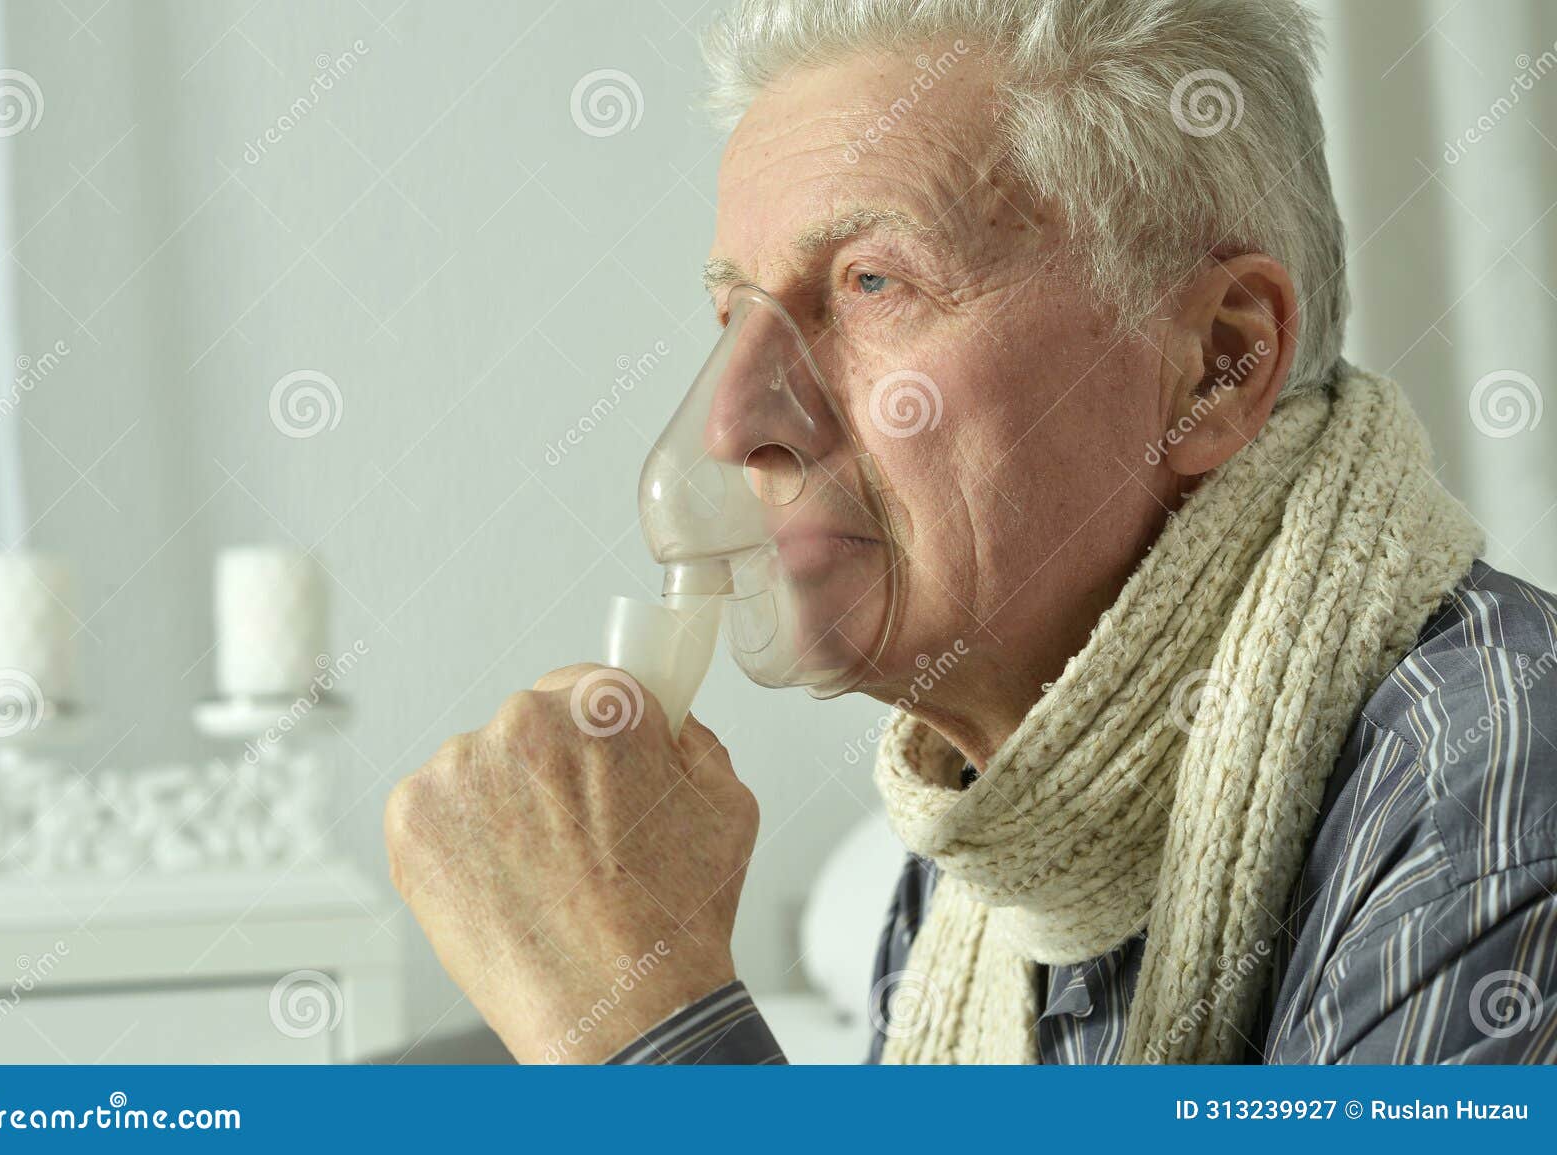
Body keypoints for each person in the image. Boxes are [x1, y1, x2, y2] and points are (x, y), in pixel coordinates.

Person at [384, 0, 1557, 1064]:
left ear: (1218, 361)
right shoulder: (985, 854)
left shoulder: (1494, 800)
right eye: (733, 313)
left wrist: (634, 1022)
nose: (734, 422)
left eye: (871, 284)